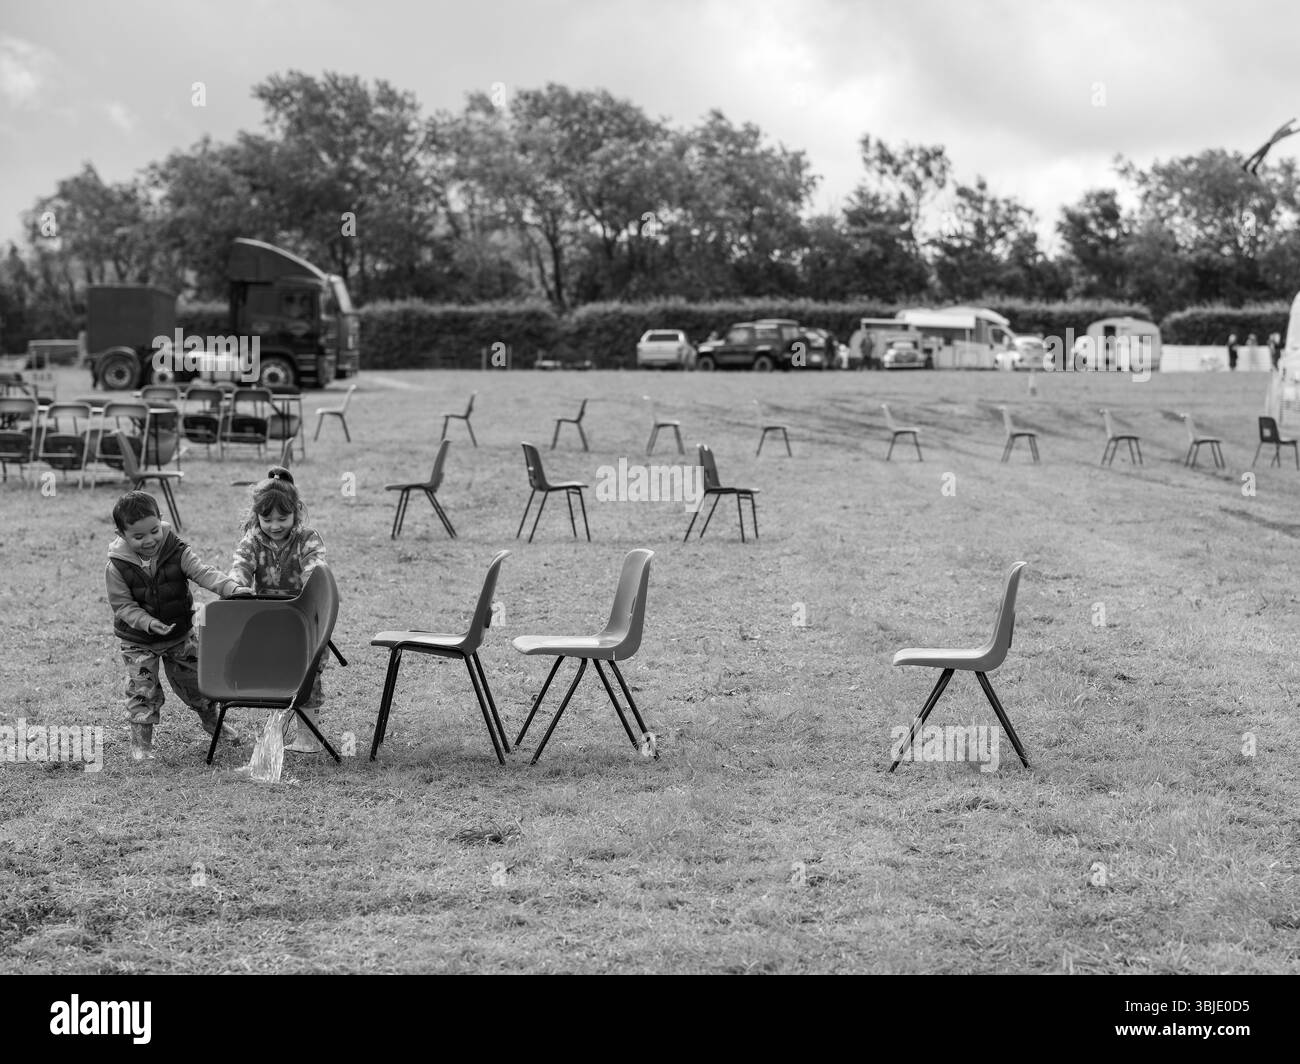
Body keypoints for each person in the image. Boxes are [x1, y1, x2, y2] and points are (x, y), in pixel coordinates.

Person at [106, 490, 251, 761]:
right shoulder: (117, 566)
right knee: (142, 689)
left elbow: (202, 572)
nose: (149, 540)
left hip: (178, 634)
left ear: (161, 520)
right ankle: (141, 745)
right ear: (121, 533)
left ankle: (213, 723)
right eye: (138, 537)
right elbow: (123, 606)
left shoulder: (176, 550)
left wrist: (230, 587)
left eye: (153, 531)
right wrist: (148, 624)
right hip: (138, 639)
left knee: (198, 683)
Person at [229, 467, 328, 752]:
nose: (274, 525)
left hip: (305, 619)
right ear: (256, 515)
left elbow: (316, 572)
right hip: (269, 620)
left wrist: (308, 596)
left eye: (282, 518)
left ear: (296, 512)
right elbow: (240, 567)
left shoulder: (308, 539)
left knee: (309, 676)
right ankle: (280, 731)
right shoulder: (252, 541)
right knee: (278, 672)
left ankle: (308, 738)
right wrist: (238, 587)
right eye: (267, 518)